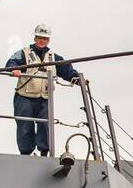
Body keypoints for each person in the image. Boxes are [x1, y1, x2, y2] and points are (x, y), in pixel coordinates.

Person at [5, 24, 82, 157]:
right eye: (40, 37)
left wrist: (76, 79)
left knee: (45, 125)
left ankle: (44, 153)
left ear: (48, 40)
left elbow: (67, 70)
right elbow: (11, 63)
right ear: (35, 38)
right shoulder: (24, 53)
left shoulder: (54, 58)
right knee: (25, 125)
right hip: (25, 96)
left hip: (45, 98)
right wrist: (14, 69)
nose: (42, 41)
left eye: (45, 38)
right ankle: (25, 154)